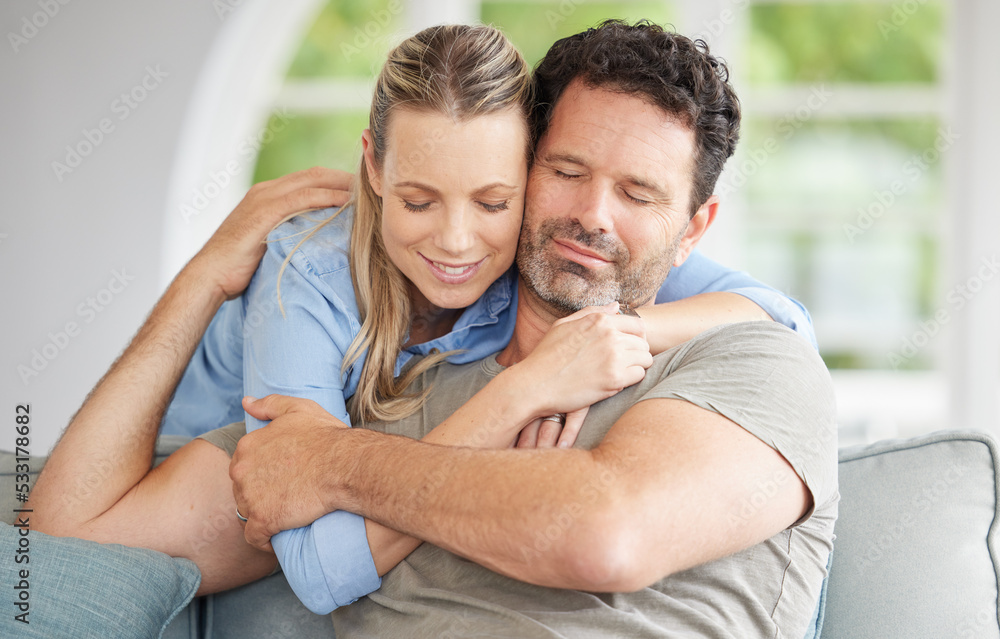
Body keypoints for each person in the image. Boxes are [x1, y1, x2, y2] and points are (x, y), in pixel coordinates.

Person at [28, 20, 826, 630]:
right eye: (566, 170)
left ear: (693, 229)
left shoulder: (737, 351)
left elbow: (778, 317)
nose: (592, 214)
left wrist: (332, 463)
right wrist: (206, 275)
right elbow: (83, 539)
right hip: (218, 421)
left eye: (639, 194)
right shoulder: (335, 318)